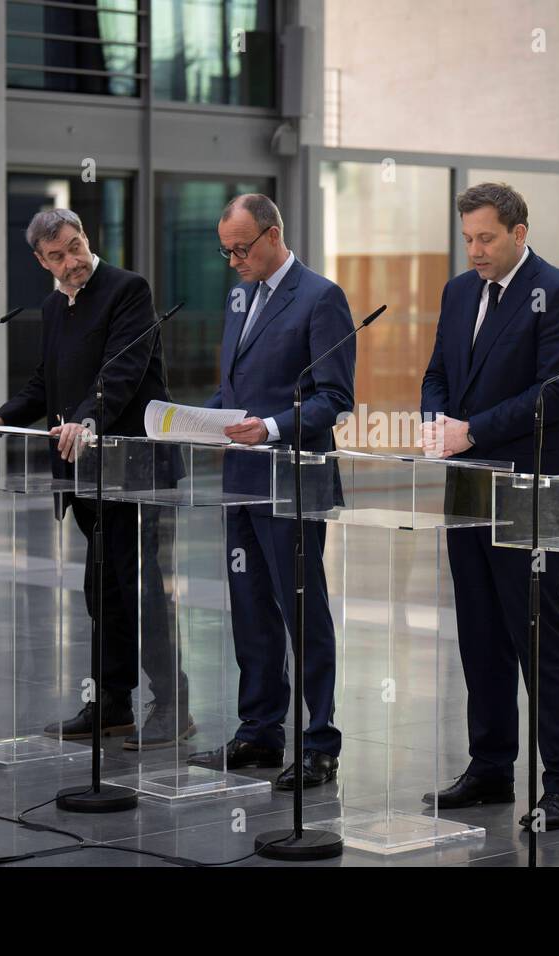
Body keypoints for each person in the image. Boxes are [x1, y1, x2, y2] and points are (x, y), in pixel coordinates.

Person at [0, 208, 192, 749]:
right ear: (40, 261)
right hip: (83, 474)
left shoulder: (127, 290)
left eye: (75, 246)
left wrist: (87, 420)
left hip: (134, 467)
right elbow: (46, 382)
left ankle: (173, 704)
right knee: (102, 590)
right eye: (57, 256)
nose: (72, 262)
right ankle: (112, 704)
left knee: (143, 593)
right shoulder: (51, 306)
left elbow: (122, 370)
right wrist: (2, 417)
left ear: (87, 237)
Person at [420, 182, 559, 830]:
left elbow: (556, 396)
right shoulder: (460, 290)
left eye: (487, 238)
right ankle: (490, 768)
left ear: (520, 232)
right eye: (468, 238)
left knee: (539, 638)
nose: (476, 250)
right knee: (481, 633)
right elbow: (438, 368)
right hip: (467, 485)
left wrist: (472, 431)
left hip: (533, 486)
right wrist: (437, 421)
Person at [185, 194, 355, 791]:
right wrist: (195, 421)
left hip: (293, 480)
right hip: (241, 478)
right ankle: (259, 732)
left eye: (240, 248)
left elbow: (335, 398)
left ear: (273, 234)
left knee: (301, 608)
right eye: (225, 250)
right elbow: (235, 387)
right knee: (250, 607)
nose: (232, 260)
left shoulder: (320, 297)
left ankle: (320, 743)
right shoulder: (239, 296)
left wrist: (273, 427)